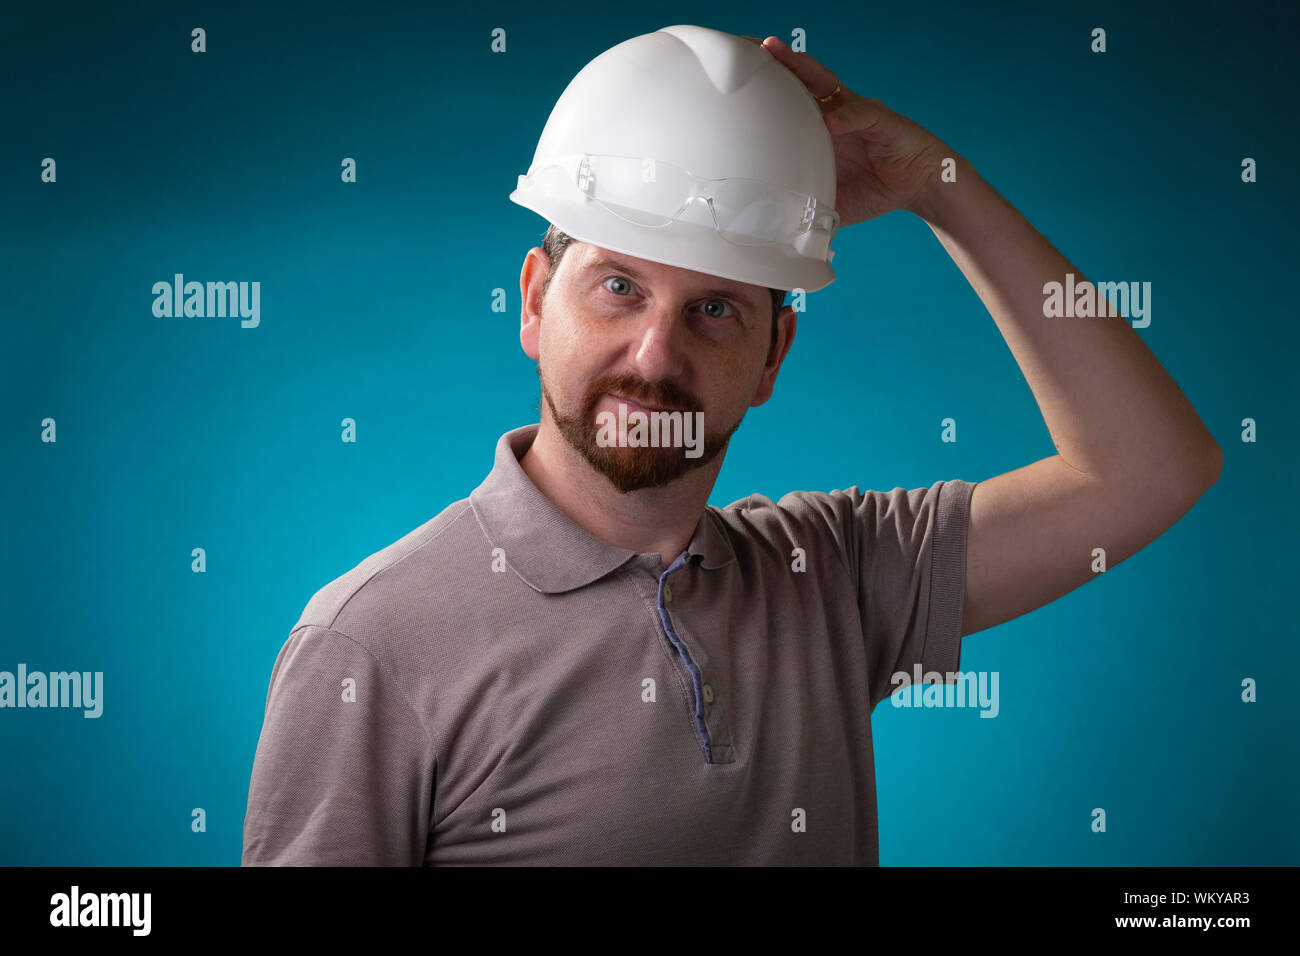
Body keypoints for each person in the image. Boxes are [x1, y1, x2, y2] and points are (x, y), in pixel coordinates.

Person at [241, 26, 1221, 866]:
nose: (654, 355)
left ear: (771, 356)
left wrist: (936, 185)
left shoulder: (829, 575)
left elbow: (1149, 469)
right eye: (618, 286)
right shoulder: (368, 643)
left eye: (713, 308)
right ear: (535, 301)